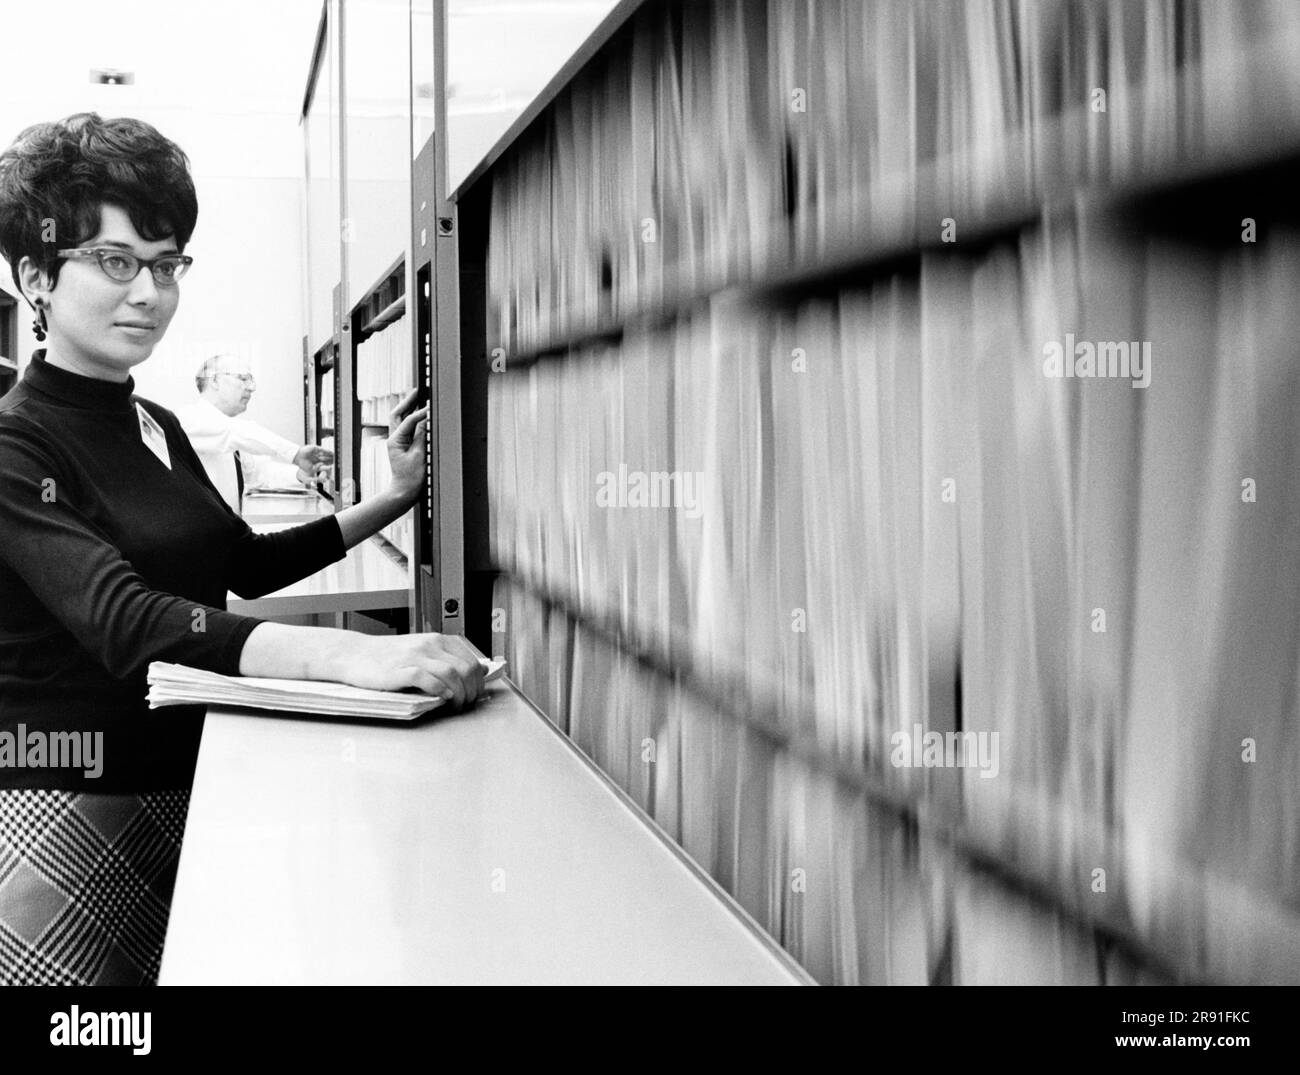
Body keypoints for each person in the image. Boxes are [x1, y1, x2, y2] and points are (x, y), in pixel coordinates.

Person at [0, 113, 483, 986]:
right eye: (115, 261)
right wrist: (347, 657)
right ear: (35, 275)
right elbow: (127, 621)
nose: (148, 293)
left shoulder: (157, 423)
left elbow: (243, 565)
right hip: (67, 809)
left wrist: (395, 497)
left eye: (165, 263)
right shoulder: (15, 445)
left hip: (193, 780)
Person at [176, 354, 333, 513]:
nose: (251, 387)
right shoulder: (190, 419)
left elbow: (258, 473)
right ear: (215, 381)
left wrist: (299, 474)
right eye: (243, 379)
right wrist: (295, 453)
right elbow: (237, 431)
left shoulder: (229, 435)